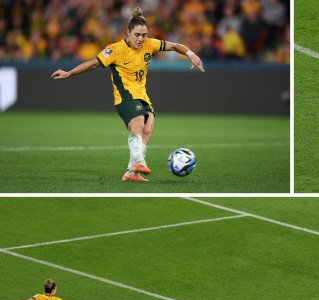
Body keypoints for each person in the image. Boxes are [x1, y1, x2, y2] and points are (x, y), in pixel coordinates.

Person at [51, 7, 205, 182]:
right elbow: (93, 63)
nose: (141, 39)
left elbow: (175, 46)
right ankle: (139, 161)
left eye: (144, 35)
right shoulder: (115, 50)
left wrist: (191, 54)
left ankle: (131, 172)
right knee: (138, 123)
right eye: (137, 35)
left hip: (142, 94)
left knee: (149, 128)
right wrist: (69, 73)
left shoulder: (150, 44)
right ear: (128, 33)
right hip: (124, 96)